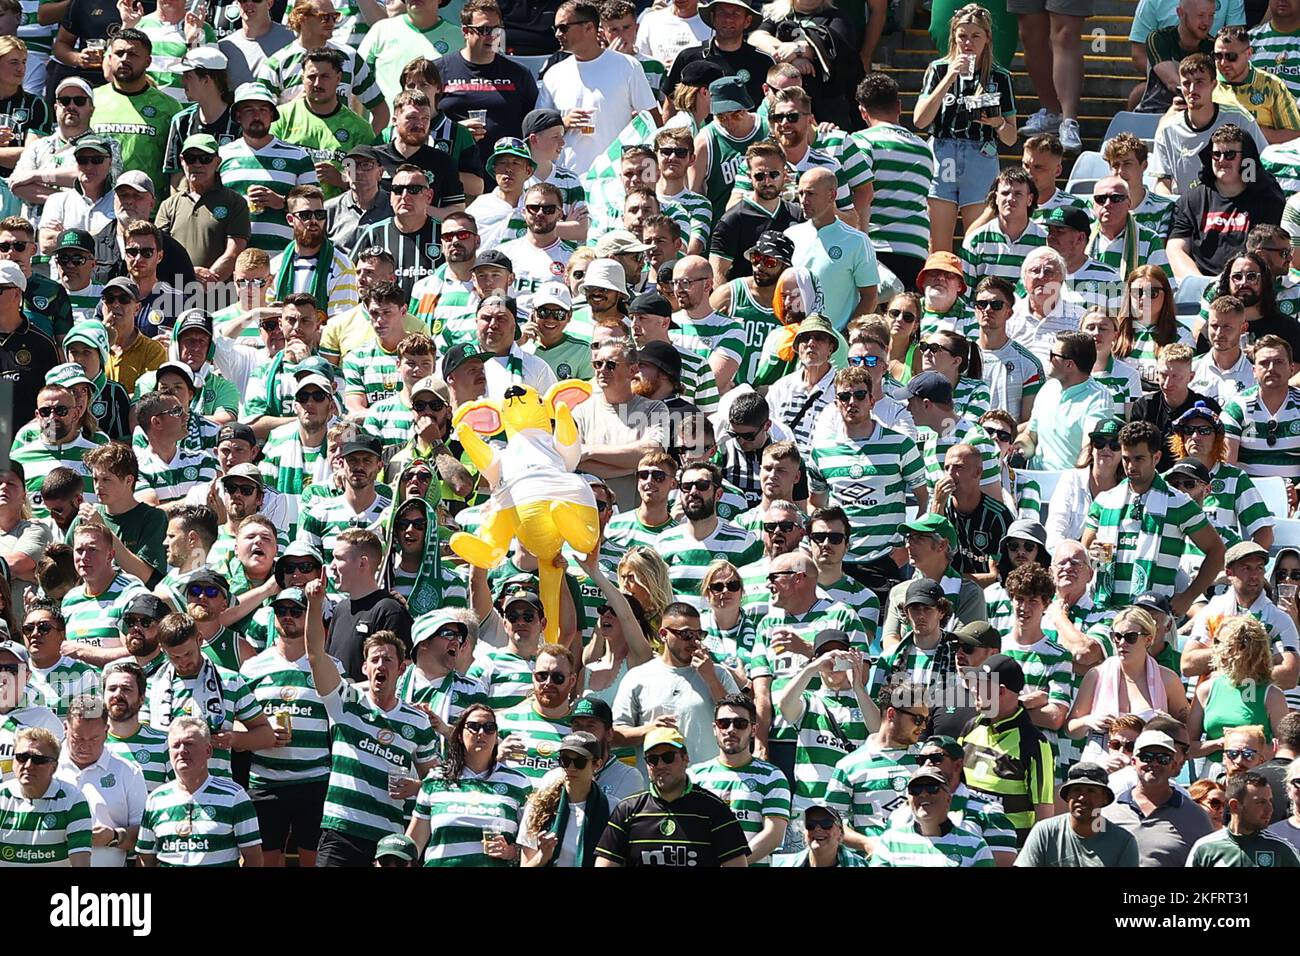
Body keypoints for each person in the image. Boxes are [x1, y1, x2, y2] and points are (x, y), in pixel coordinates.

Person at [595, 726, 750, 867]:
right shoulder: (628, 809)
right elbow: (605, 863)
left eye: (668, 757)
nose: (661, 765)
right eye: (653, 760)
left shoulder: (714, 809)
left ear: (686, 759)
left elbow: (737, 864)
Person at [613, 601, 741, 765]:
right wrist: (648, 730)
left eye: (699, 635)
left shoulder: (718, 674)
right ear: (663, 634)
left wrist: (710, 678)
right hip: (657, 784)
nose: (694, 642)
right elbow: (615, 735)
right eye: (686, 634)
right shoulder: (638, 677)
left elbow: (738, 720)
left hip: (707, 784)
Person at [405, 703, 531, 867]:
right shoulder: (436, 778)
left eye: (489, 727)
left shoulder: (519, 783)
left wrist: (511, 852)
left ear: (496, 737)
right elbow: (413, 843)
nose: (481, 733)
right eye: (473, 726)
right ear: (459, 735)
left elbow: (531, 849)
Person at [136, 716, 263, 867]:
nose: (182, 750)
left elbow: (254, 858)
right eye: (176, 745)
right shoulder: (155, 800)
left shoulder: (234, 796)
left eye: (189, 744)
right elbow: (145, 860)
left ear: (208, 751)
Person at [823, 676, 927, 852]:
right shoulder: (849, 765)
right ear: (891, 714)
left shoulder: (927, 758)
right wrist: (868, 844)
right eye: (918, 719)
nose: (923, 726)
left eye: (926, 719)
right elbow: (831, 823)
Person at [960, 654, 1055, 845]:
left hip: (1009, 852)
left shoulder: (1034, 743)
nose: (973, 689)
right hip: (966, 847)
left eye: (980, 684)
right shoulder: (971, 727)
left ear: (1001, 691)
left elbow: (1044, 814)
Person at [1168, 125, 1285, 279]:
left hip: (1250, 284)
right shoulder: (1193, 199)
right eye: (1216, 154)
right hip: (1202, 285)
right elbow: (1176, 249)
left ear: (1246, 158)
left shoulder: (1268, 199)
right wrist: (1202, 285)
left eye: (1230, 154)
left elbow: (1271, 253)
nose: (1222, 160)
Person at [687, 693, 791, 864]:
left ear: (754, 730)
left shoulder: (772, 776)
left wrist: (731, 864)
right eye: (723, 723)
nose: (730, 730)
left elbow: (773, 836)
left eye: (740, 723)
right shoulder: (694, 777)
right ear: (715, 728)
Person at [435, 0, 539, 164]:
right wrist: (456, 130)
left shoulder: (519, 73)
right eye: (484, 30)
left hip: (505, 171)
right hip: (453, 166)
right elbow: (425, 121)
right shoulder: (439, 70)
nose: (492, 36)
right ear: (465, 31)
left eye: (497, 30)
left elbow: (533, 124)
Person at [1151, 54, 1266, 198]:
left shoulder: (1239, 119)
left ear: (1214, 84)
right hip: (1189, 211)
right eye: (1186, 83)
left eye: (1199, 82)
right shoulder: (1167, 128)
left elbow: (1263, 164)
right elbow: (1162, 182)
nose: (1192, 89)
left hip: (1235, 207)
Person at [55, 693, 147, 867]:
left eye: (94, 739)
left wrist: (114, 836)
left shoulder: (127, 771)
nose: (85, 746)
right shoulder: (46, 766)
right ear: (65, 728)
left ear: (106, 731)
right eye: (78, 738)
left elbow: (145, 836)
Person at [90, 28, 183, 197]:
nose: (125, 59)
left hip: (148, 209)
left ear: (148, 61)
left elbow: (177, 168)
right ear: (110, 59)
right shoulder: (90, 100)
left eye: (133, 54)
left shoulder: (169, 107)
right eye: (119, 53)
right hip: (96, 208)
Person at [1187, 615, 1290, 764]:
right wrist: (1221, 743)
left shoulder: (1272, 695)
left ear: (1245, 649)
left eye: (1223, 644)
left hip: (1256, 777)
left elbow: (1284, 749)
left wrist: (1245, 747)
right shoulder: (1206, 690)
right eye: (1215, 642)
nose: (1216, 649)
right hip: (1214, 775)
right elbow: (1189, 747)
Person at [785, 167, 877, 327]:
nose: (803, 200)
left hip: (836, 343)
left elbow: (869, 297)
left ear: (832, 195)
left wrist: (847, 335)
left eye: (810, 193)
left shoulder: (857, 241)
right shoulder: (790, 235)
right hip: (792, 340)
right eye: (800, 193)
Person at [515, 730, 609, 867]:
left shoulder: (612, 808)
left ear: (597, 764)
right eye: (565, 760)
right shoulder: (537, 807)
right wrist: (542, 856)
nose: (570, 767)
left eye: (579, 762)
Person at [1016, 762, 1140, 866]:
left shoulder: (1123, 842)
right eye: (1076, 790)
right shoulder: (1045, 831)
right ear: (1067, 796)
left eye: (1091, 791)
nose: (1082, 798)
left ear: (1105, 798)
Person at [869, 765, 995, 867]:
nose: (923, 794)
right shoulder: (889, 842)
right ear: (908, 800)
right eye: (915, 790)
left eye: (932, 788)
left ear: (948, 799)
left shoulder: (975, 846)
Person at [0, 726, 91, 866]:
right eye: (22, 757)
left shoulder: (73, 800)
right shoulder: (1, 797)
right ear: (13, 761)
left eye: (38, 760)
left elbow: (81, 863)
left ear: (53, 767)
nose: (28, 765)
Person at [1222, 335, 1300, 478]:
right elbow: (1228, 469)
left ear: (1292, 368)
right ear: (1254, 371)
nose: (1271, 368)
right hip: (1248, 495)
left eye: (1278, 362)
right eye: (1264, 363)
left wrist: (1296, 493)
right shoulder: (1237, 408)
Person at [1186, 769, 1300, 865]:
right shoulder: (1205, 847)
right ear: (1235, 806)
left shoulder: (1280, 848)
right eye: (1260, 802)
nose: (1270, 809)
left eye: (1270, 801)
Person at [1210, 25, 1300, 144]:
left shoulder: (1271, 85)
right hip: (1216, 158)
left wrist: (1251, 130)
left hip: (1259, 159)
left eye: (1231, 57)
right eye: (1218, 56)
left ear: (1249, 53)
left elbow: (1295, 135)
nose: (1223, 63)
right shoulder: (1207, 83)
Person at [21, 602, 99, 717]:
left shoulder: (83, 675)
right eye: (28, 628)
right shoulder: (12, 671)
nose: (35, 634)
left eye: (44, 628)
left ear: (62, 635)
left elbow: (91, 723)